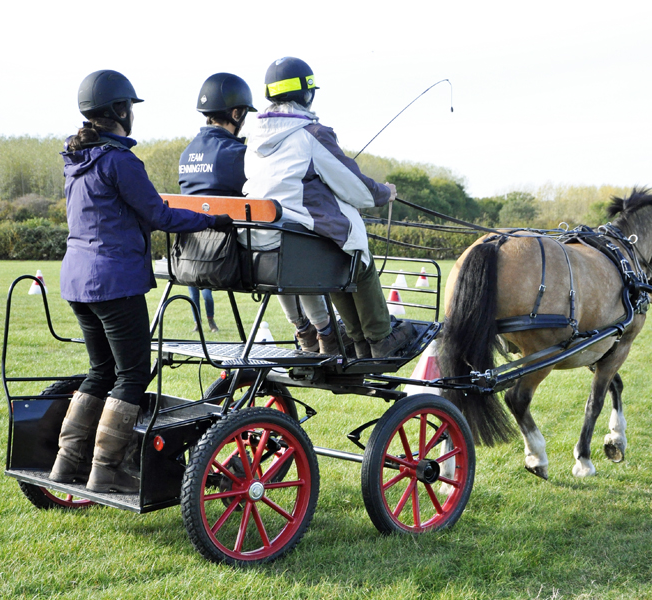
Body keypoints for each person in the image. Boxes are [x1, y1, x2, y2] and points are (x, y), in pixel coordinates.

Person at [50, 70, 231, 493]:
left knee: (101, 371)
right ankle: (105, 471)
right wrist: (212, 220)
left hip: (76, 280)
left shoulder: (76, 159)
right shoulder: (120, 160)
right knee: (133, 373)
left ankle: (64, 464)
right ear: (119, 110)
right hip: (114, 281)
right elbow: (160, 216)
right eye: (129, 107)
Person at [243, 57, 414, 359]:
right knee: (358, 256)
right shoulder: (311, 134)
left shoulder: (255, 138)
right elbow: (354, 186)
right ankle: (379, 338)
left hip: (265, 237)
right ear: (307, 94)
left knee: (341, 254)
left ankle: (358, 339)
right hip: (301, 235)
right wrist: (383, 193)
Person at [180, 72, 341, 354]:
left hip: (193, 255)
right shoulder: (236, 153)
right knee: (301, 244)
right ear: (236, 112)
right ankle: (325, 331)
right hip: (234, 257)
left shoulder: (187, 154)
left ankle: (303, 329)